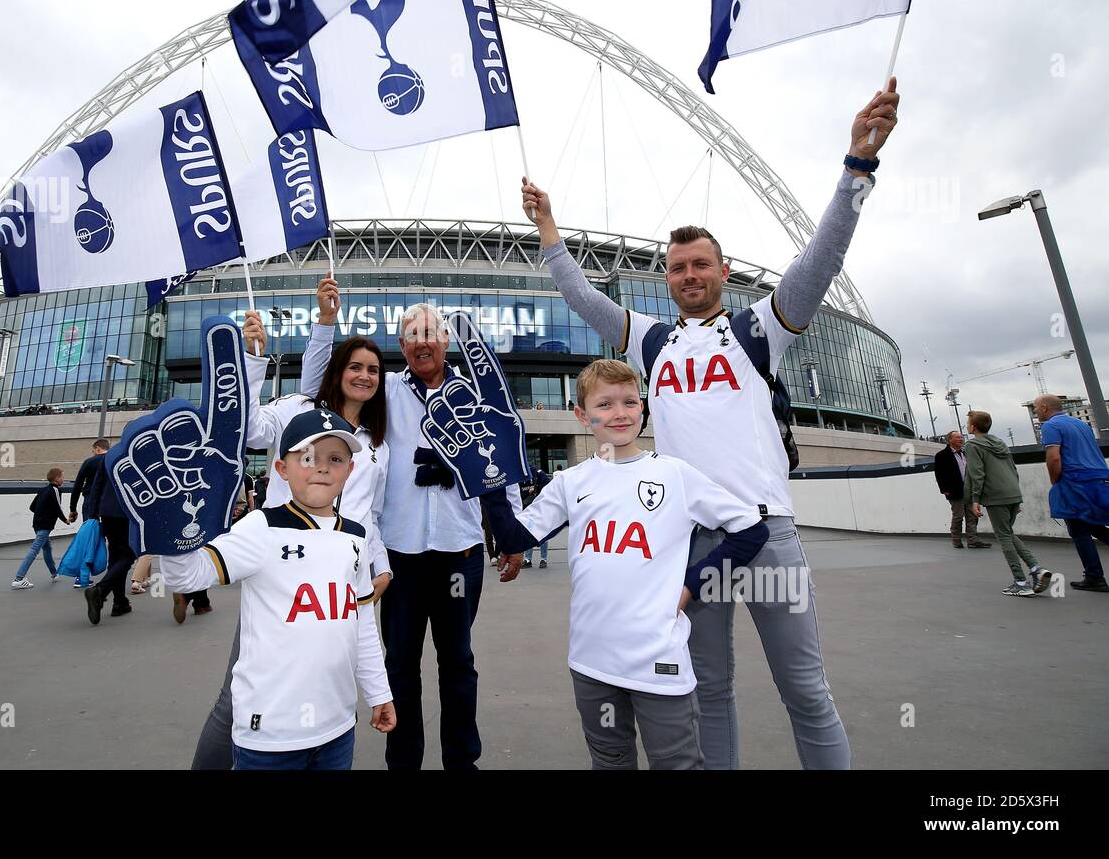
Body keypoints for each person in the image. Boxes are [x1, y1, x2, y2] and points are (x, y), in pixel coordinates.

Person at [520, 80, 903, 770]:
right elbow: (577, 294)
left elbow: (822, 259)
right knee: (710, 693)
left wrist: (857, 167)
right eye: (677, 269)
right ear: (665, 280)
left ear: (724, 271)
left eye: (701, 264)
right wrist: (549, 228)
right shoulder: (649, 340)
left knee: (806, 691)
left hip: (768, 534)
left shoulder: (762, 328)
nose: (689, 275)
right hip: (694, 541)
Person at [487, 360, 769, 768]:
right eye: (605, 404)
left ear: (643, 408)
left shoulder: (675, 474)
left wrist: (693, 584)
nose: (619, 413)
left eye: (629, 402)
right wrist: (491, 480)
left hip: (658, 663)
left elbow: (751, 530)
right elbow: (513, 539)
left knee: (678, 762)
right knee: (609, 761)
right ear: (582, 415)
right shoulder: (571, 482)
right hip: (590, 662)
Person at [301, 298, 524, 771]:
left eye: (431, 333)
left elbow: (499, 462)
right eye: (413, 335)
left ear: (445, 340)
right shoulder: (387, 393)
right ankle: (403, 761)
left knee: (458, 663)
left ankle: (462, 761)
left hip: (458, 551)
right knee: (399, 666)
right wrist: (324, 323)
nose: (423, 342)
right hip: (399, 555)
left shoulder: (473, 393)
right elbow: (323, 391)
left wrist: (512, 533)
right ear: (402, 345)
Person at [188, 294, 392, 770]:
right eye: (355, 367)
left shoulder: (374, 442)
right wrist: (254, 359)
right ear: (337, 369)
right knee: (236, 700)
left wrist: (379, 566)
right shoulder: (297, 409)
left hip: (343, 577)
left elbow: (370, 513)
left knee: (329, 682)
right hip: (281, 574)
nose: (364, 376)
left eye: (374, 371)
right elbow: (249, 428)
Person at [161, 409, 396, 769]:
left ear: (350, 471)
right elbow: (186, 578)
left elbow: (362, 621)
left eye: (335, 459)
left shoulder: (356, 536)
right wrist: (170, 527)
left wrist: (379, 692)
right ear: (282, 469)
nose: (321, 467)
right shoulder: (260, 527)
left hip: (337, 728)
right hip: (269, 735)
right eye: (306, 457)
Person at [963, 410, 1054, 597]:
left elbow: (976, 474)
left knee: (1003, 537)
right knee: (1008, 533)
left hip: (995, 495)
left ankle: (1020, 581)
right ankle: (1036, 568)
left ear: (972, 427)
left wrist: (975, 500)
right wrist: (1016, 496)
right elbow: (1013, 469)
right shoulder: (1000, 443)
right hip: (1012, 492)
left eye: (968, 422)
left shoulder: (972, 445)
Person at [1033, 393, 1109, 592]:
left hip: (1074, 481)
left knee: (1079, 529)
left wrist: (1054, 480)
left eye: (1036, 407)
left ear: (1044, 408)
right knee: (1095, 524)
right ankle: (1094, 576)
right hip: (1098, 479)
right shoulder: (1082, 425)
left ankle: (1095, 577)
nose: (1035, 411)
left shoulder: (1050, 426)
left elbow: (1054, 457)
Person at [83, 449, 135, 624]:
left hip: (106, 512)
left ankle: (119, 603)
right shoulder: (141, 452)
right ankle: (100, 591)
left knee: (115, 557)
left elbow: (97, 485)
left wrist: (92, 514)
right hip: (128, 513)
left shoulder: (109, 456)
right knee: (129, 555)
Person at [933, 431, 991, 549]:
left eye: (961, 437)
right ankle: (956, 540)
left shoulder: (966, 452)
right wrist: (945, 490)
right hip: (954, 491)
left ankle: (972, 540)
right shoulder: (941, 455)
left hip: (969, 490)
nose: (961, 439)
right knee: (958, 515)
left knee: (972, 516)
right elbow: (939, 475)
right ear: (950, 440)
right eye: (958, 437)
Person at [12, 468, 67, 589]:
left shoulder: (42, 490)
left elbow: (32, 507)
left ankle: (54, 573)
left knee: (47, 548)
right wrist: (66, 520)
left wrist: (42, 512)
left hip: (37, 524)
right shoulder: (55, 490)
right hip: (45, 525)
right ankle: (19, 578)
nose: (64, 479)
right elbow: (58, 508)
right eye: (62, 477)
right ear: (57, 479)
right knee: (35, 549)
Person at [68, 438, 108, 588]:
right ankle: (113, 575)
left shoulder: (89, 462)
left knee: (89, 538)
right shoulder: (113, 460)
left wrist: (73, 509)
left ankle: (82, 576)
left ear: (97, 449)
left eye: (93, 450)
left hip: (91, 503)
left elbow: (78, 485)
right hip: (109, 504)